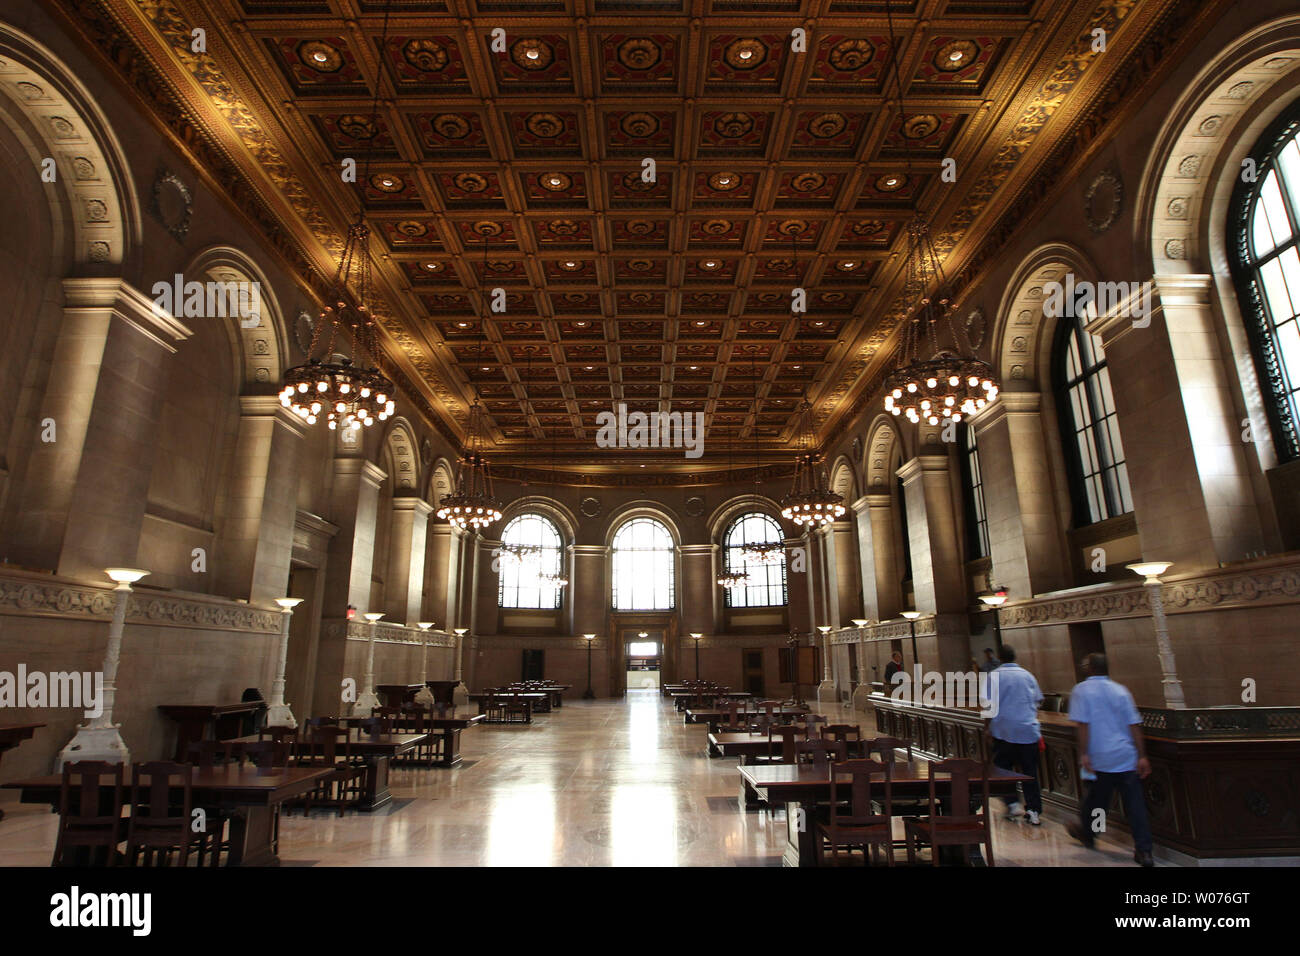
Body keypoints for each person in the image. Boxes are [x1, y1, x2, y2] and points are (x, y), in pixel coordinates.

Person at [1066, 652, 1154, 867]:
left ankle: (1089, 833)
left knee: (1097, 802)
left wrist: (1084, 753)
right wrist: (1142, 756)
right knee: (1134, 806)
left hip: (1100, 757)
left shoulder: (1081, 690)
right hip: (1125, 756)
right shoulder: (1121, 691)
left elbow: (1083, 725)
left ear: (1090, 668)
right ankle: (1144, 851)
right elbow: (1133, 725)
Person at [985, 644, 1043, 825]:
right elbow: (1038, 700)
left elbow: (988, 706)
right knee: (1030, 772)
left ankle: (1012, 803)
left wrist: (986, 728)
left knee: (1004, 769)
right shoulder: (1028, 675)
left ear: (999, 658)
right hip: (1028, 730)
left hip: (1004, 730)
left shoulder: (994, 677)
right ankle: (1033, 810)